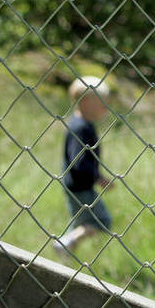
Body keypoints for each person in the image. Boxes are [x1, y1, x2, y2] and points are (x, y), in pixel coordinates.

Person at [55, 75, 115, 256]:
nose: (106, 107)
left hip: (74, 183)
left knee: (80, 220)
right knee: (102, 220)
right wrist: (98, 178)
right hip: (81, 185)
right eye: (102, 103)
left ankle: (66, 251)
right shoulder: (81, 128)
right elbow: (79, 161)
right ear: (85, 102)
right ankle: (66, 243)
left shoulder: (80, 124)